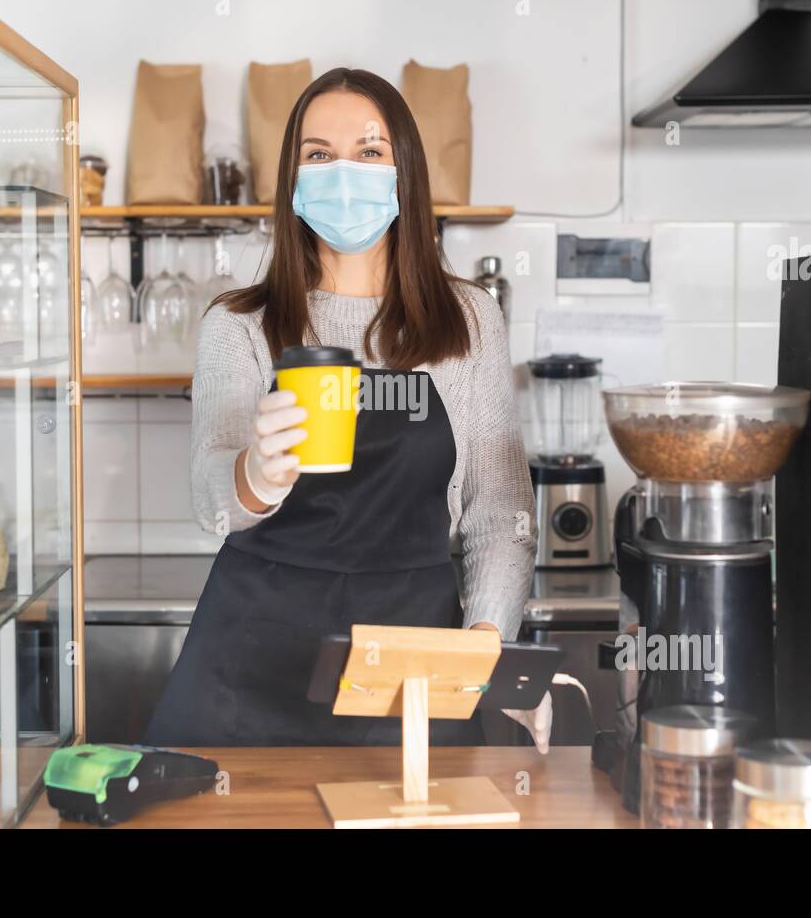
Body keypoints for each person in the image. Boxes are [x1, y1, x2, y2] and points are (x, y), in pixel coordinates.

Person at [145, 67, 547, 748]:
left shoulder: (470, 321)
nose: (343, 173)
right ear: (293, 179)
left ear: (404, 171)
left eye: (368, 151)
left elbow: (500, 512)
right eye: (318, 154)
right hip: (252, 659)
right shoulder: (238, 324)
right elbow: (212, 499)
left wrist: (482, 648)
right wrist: (255, 474)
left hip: (412, 658)